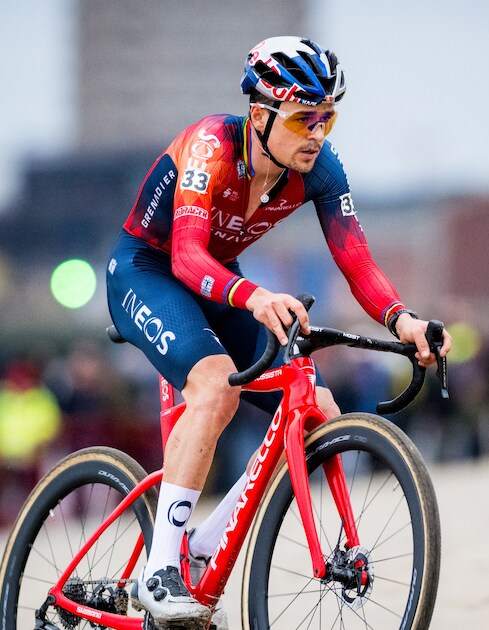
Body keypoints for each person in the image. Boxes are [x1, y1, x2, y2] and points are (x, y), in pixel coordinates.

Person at [105, 36, 452, 628]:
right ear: (261, 114)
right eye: (303, 118)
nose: (317, 132)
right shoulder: (212, 148)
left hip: (220, 279)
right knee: (216, 388)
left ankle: (205, 540)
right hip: (149, 270)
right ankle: (160, 571)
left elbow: (357, 261)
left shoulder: (321, 169)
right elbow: (187, 257)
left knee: (315, 401)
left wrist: (404, 319)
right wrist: (256, 295)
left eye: (327, 117)